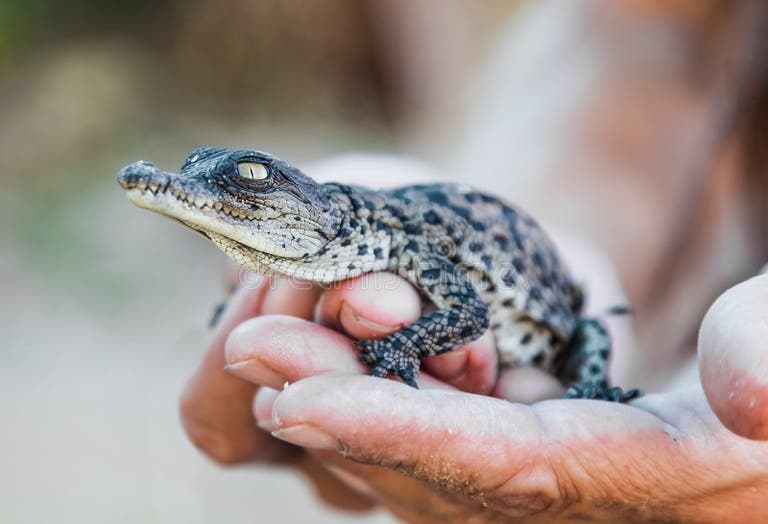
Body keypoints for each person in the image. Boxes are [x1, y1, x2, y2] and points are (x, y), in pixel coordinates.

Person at [180, 1, 768, 521]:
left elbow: (466, 318)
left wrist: (397, 346)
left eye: (249, 179)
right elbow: (653, 53)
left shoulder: (402, 241)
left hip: (574, 341)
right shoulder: (380, 237)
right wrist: (584, 241)